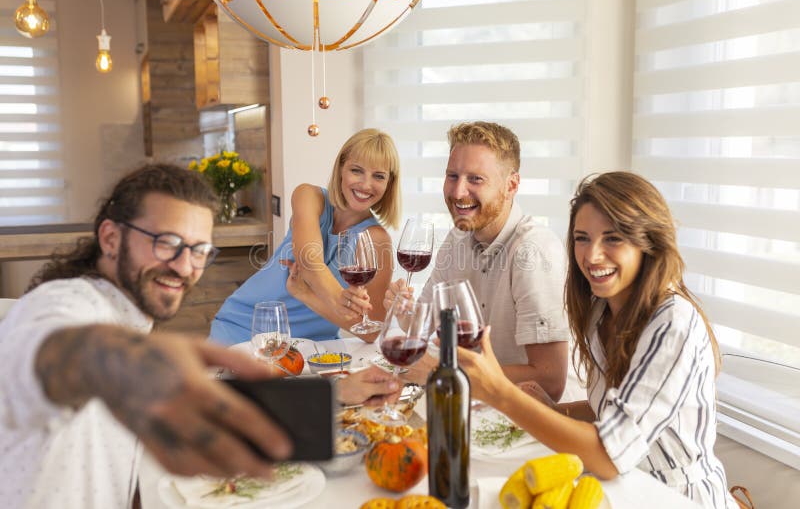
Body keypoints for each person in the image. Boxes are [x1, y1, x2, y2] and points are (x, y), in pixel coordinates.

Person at [0, 164, 400, 509]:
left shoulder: (127, 318)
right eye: (167, 243)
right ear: (110, 239)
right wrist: (136, 363)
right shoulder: (64, 304)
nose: (184, 266)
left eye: (198, 250)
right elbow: (56, 349)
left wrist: (334, 393)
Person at [458, 172, 737, 508]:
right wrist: (555, 410)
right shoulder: (601, 311)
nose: (592, 255)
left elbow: (608, 454)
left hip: (675, 497)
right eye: (582, 238)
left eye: (613, 238)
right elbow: (610, 408)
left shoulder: (673, 323)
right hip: (624, 489)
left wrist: (500, 393)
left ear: (648, 242)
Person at [384, 121, 569, 400]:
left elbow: (550, 381)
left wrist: (442, 371)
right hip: (478, 402)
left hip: (531, 415)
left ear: (511, 185)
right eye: (452, 176)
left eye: (476, 179)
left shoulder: (533, 251)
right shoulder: (458, 238)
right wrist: (403, 310)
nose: (458, 192)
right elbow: (422, 326)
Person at [211, 128, 401, 345]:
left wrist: (305, 295)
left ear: (389, 183)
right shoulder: (309, 196)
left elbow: (371, 331)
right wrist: (341, 300)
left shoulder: (377, 240)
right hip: (244, 325)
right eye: (356, 170)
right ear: (341, 169)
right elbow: (310, 261)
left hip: (313, 345)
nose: (366, 185)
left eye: (378, 176)